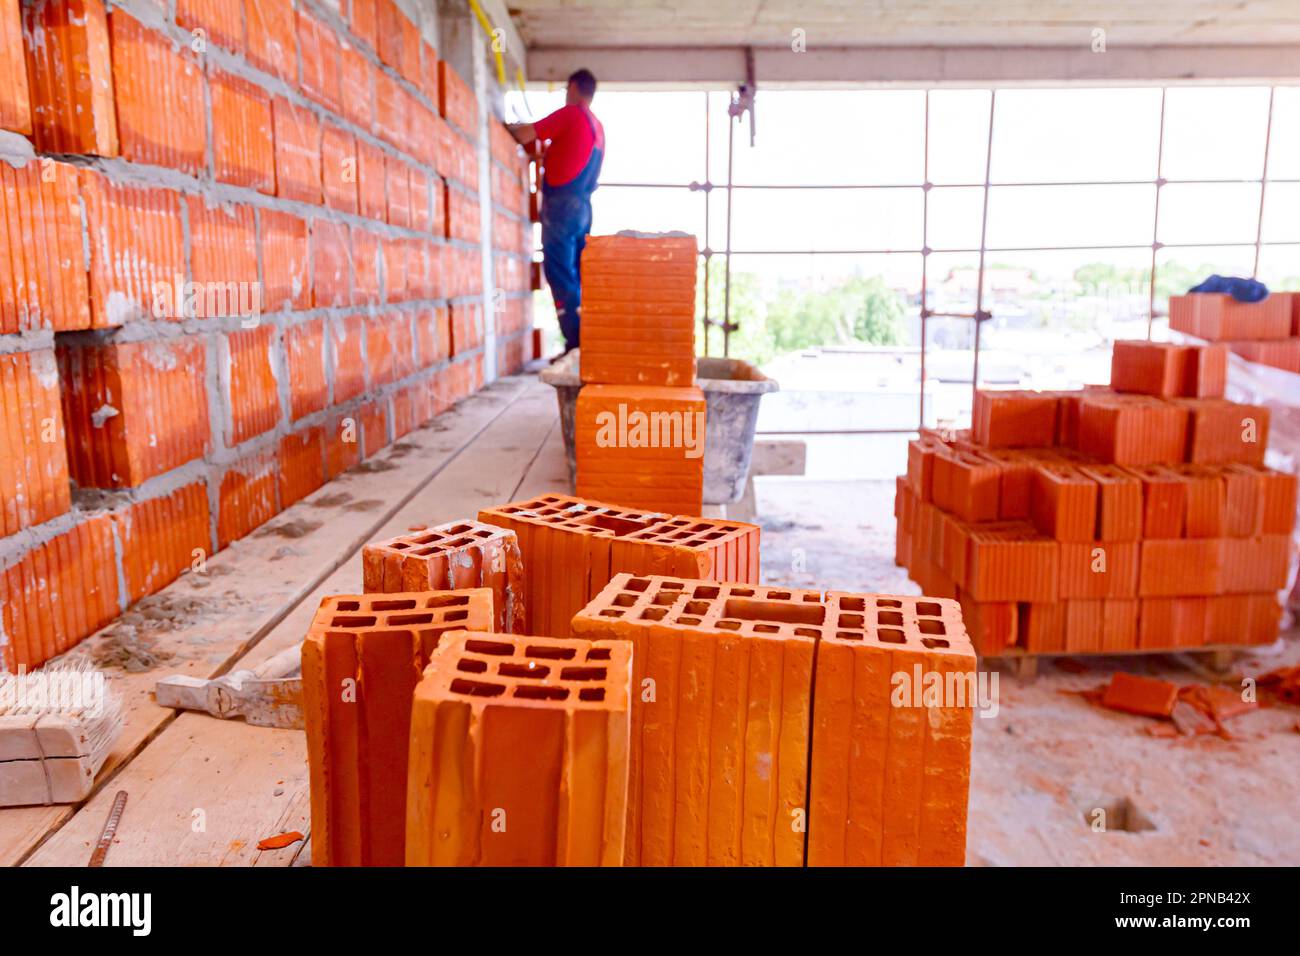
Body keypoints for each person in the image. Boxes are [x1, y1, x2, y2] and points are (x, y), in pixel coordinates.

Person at [509, 69, 604, 355]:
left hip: (562, 207)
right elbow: (567, 156)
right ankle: (586, 342)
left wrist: (503, 129)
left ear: (573, 87)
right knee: (576, 276)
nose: (565, 94)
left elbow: (527, 134)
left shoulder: (572, 114)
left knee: (560, 274)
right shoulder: (596, 126)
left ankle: (576, 346)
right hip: (583, 208)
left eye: (566, 89)